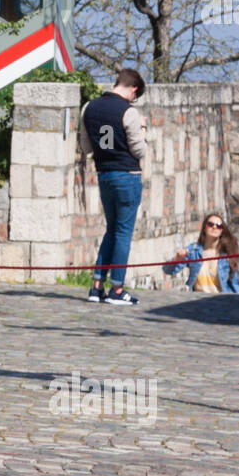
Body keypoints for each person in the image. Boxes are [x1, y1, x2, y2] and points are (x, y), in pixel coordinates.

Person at [79, 67, 147, 305]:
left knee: (112, 230)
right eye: (135, 97)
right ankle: (117, 290)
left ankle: (96, 287)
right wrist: (143, 128)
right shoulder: (129, 112)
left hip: (104, 175)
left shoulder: (89, 108)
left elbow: (87, 148)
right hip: (127, 176)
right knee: (123, 233)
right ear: (133, 89)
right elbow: (140, 150)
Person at [164, 213, 239, 293]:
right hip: (198, 301)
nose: (214, 227)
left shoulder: (227, 255)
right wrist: (177, 259)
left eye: (219, 226)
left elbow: (235, 284)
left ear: (222, 231)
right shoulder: (193, 250)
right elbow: (168, 270)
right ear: (204, 228)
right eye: (210, 224)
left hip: (221, 302)